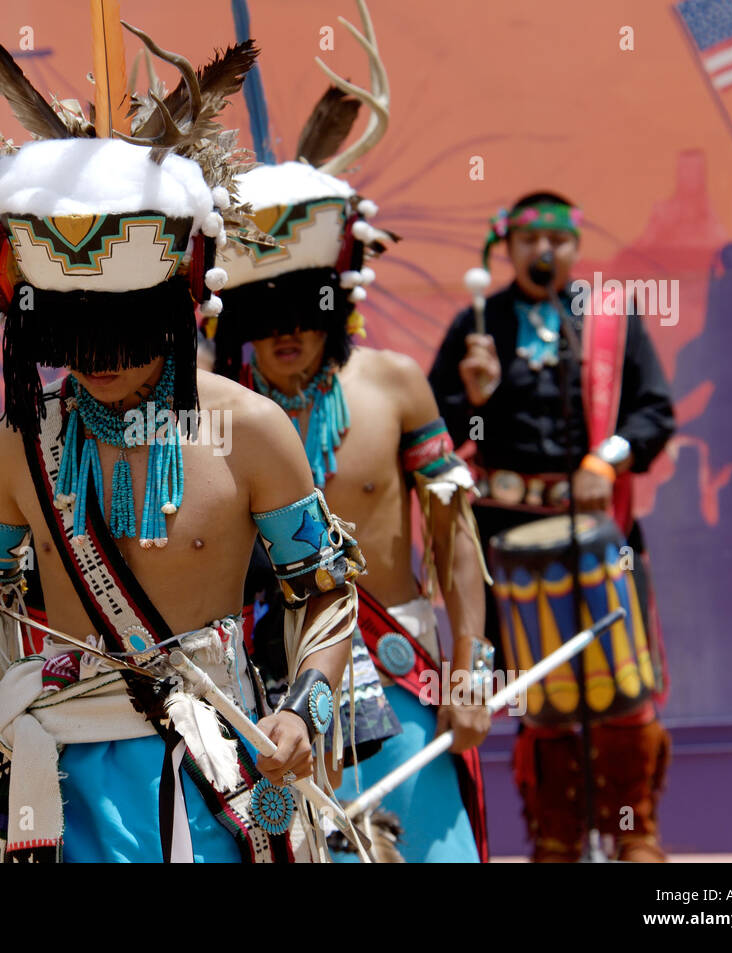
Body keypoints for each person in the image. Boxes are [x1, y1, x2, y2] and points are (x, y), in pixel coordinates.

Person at [0, 19, 366, 863]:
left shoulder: (250, 431)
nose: (97, 363)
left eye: (123, 335)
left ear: (178, 316)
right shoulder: (14, 446)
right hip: (59, 781)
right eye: (75, 340)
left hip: (217, 769)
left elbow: (324, 593)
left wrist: (305, 709)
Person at [204, 80, 493, 862]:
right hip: (271, 698)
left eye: (307, 306)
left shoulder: (394, 384)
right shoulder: (214, 412)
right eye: (266, 313)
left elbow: (454, 536)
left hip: (398, 675)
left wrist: (469, 670)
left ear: (337, 302)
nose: (289, 330)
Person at [427, 191, 676, 862]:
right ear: (507, 248)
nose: (545, 251)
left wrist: (608, 456)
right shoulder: (477, 325)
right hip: (510, 539)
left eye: (558, 240)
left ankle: (634, 834)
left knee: (622, 691)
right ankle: (558, 836)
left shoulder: (608, 322)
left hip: (599, 532)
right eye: (531, 239)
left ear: (574, 246)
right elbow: (430, 434)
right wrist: (469, 399)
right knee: (546, 698)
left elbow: (654, 412)